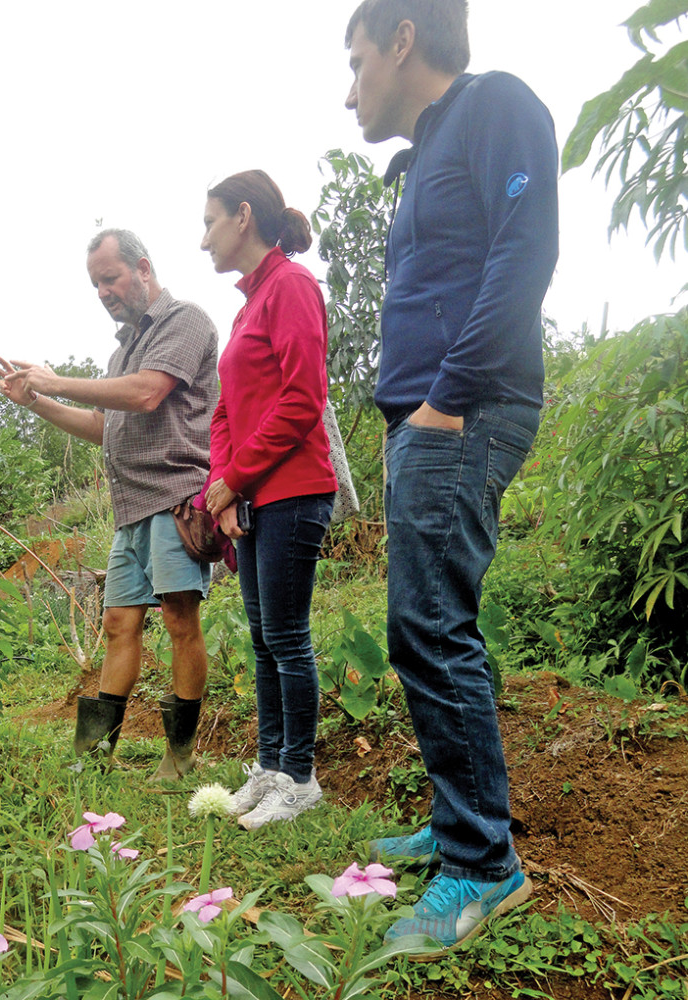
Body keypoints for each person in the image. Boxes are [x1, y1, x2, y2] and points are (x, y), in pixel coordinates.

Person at [342, 0, 559, 956]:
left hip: (463, 411)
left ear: (402, 38)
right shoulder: (423, 156)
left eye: (354, 62)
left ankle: (483, 866)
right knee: (425, 624)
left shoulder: (494, 105)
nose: (349, 90)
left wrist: (446, 399)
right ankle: (460, 818)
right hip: (426, 418)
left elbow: (526, 249)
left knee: (429, 628)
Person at [0, 229, 218, 780]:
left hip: (175, 497)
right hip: (130, 509)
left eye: (110, 277)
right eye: (95, 283)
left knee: (180, 620)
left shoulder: (184, 321)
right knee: (118, 622)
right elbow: (103, 425)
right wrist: (39, 400)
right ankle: (94, 755)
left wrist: (57, 377)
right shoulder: (123, 350)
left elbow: (145, 394)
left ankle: (179, 757)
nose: (103, 291)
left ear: (143, 268)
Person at [201, 170, 337, 830]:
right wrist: (221, 489)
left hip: (295, 490)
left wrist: (238, 479)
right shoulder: (246, 306)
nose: (204, 240)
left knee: (285, 634)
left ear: (243, 216)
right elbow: (225, 410)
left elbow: (302, 399)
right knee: (262, 639)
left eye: (209, 222)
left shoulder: (292, 287)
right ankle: (272, 765)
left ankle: (301, 777)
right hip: (252, 496)